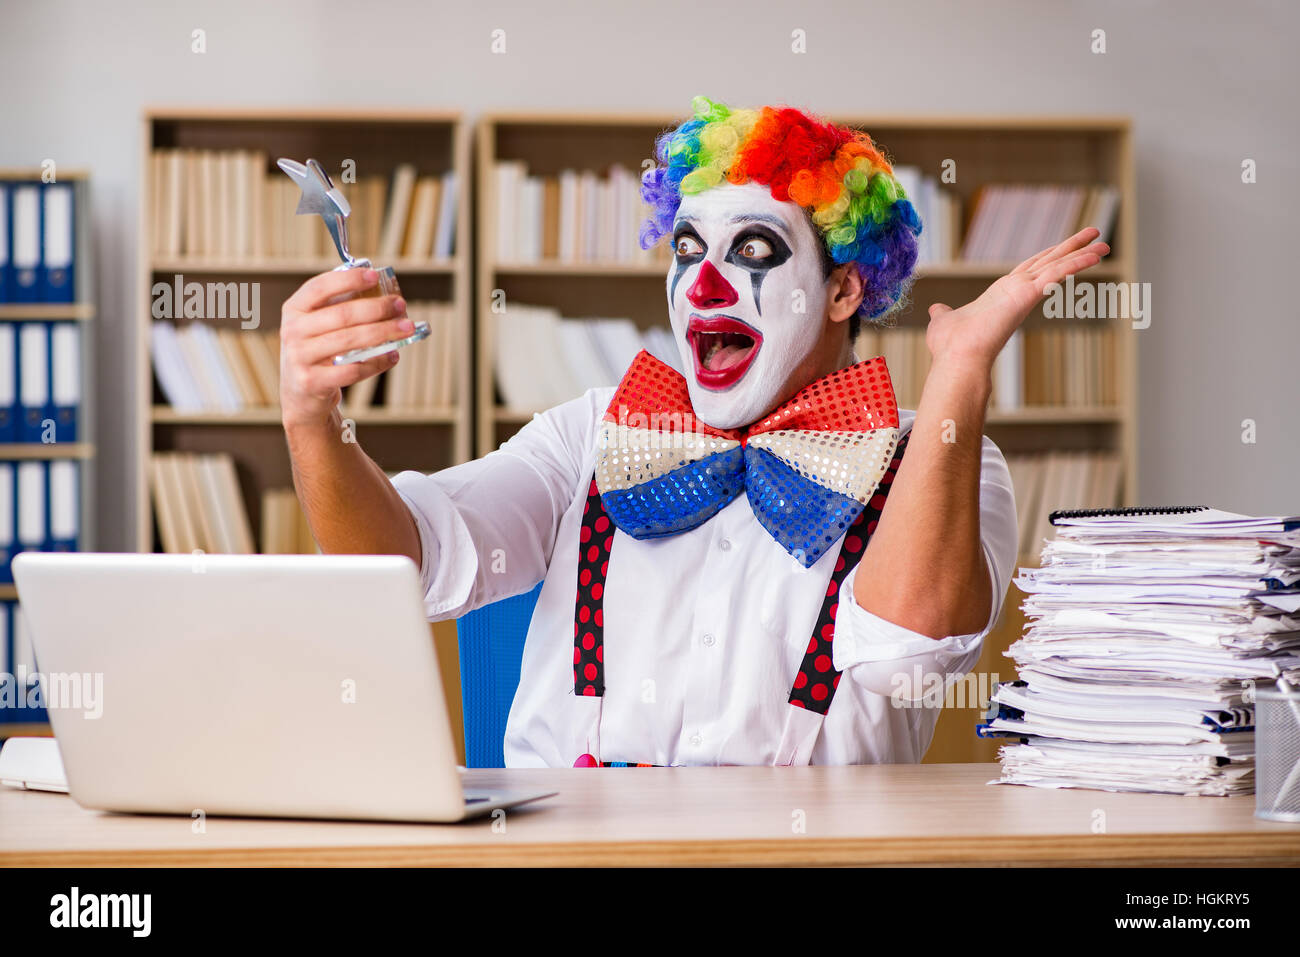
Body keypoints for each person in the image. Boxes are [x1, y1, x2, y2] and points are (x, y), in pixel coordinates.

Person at [278, 97, 1109, 767]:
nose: (704, 282)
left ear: (844, 290)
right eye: (687, 247)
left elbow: (908, 654)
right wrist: (315, 421)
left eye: (752, 248)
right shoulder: (590, 433)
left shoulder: (943, 459)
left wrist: (962, 372)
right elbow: (401, 569)